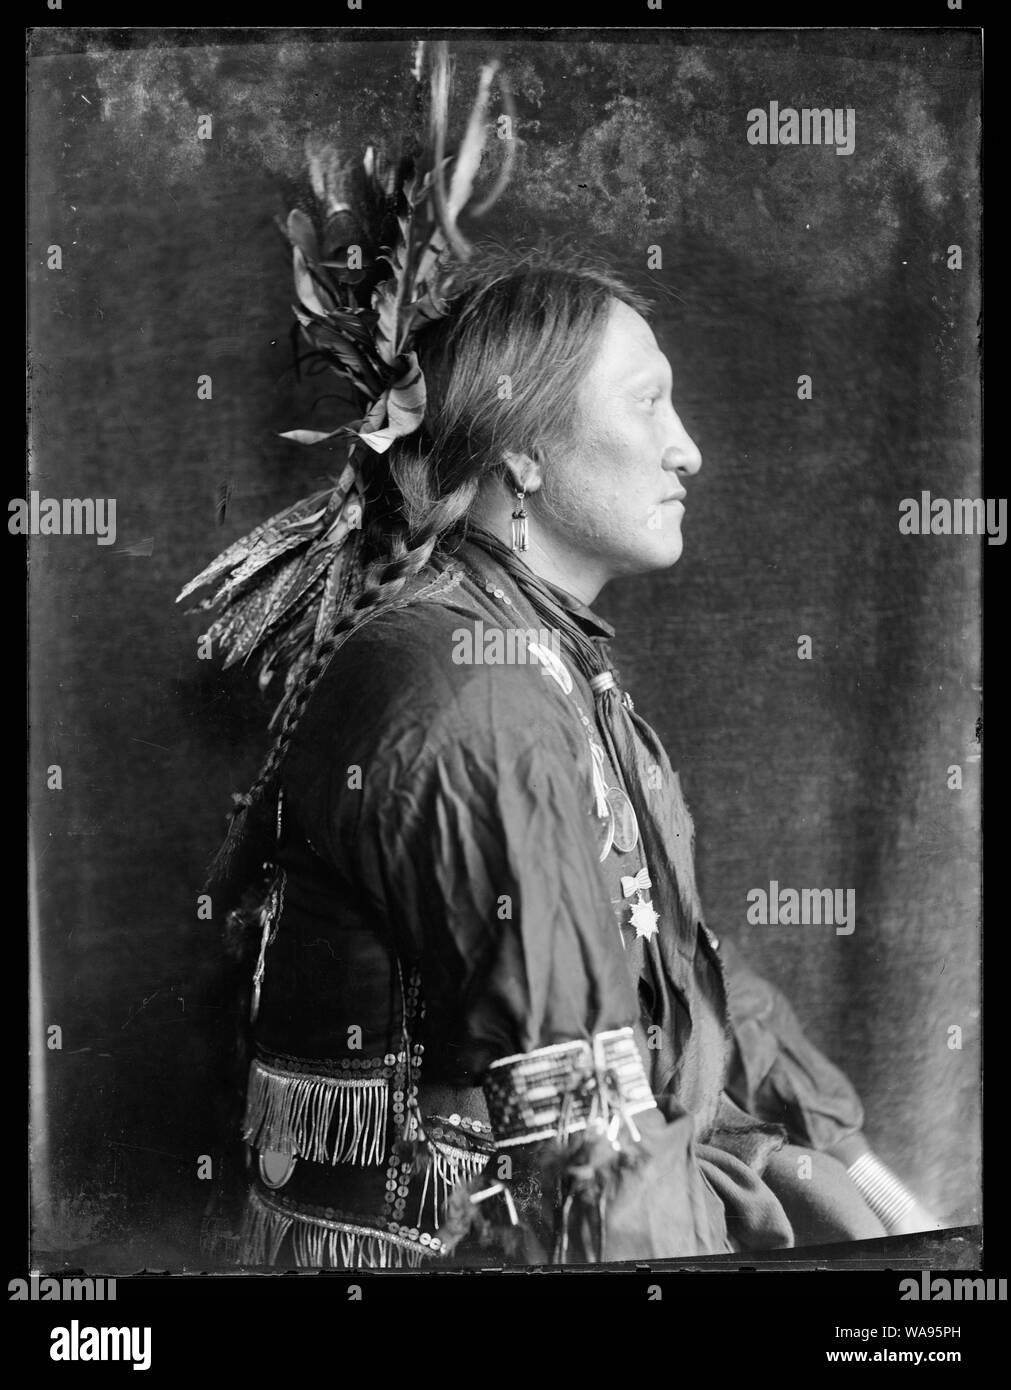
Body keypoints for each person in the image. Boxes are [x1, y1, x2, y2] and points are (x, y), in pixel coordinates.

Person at [181, 100, 937, 1267]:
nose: (690, 448)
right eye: (649, 403)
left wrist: (829, 1147)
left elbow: (673, 974)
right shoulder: (478, 690)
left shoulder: (536, 656)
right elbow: (587, 1155)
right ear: (522, 451)